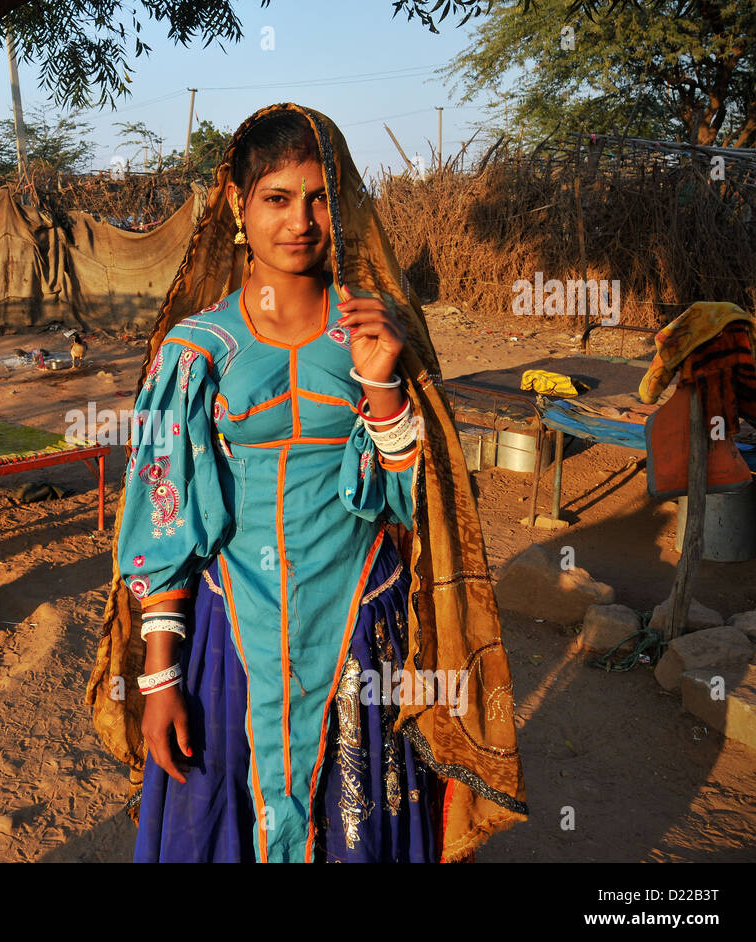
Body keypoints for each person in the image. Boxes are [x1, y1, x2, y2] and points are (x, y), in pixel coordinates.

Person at [91, 103, 528, 863]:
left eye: (320, 197)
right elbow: (167, 524)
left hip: (361, 628)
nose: (301, 220)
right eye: (277, 197)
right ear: (236, 204)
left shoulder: (377, 332)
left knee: (354, 829)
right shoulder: (195, 353)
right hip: (231, 639)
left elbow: (408, 504)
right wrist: (160, 675)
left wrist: (385, 388)